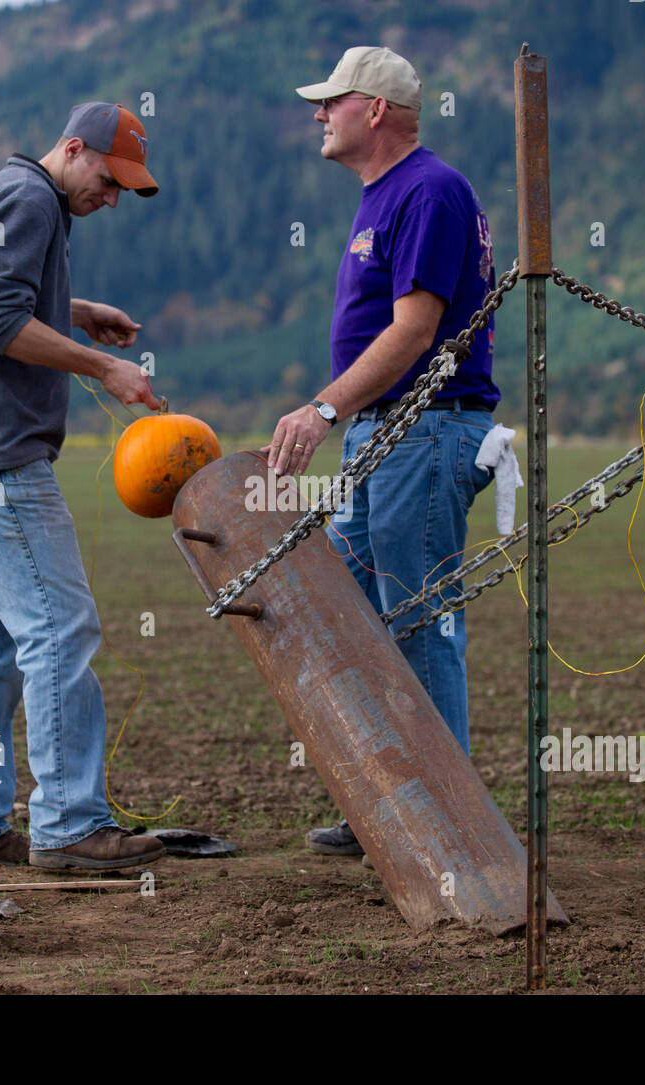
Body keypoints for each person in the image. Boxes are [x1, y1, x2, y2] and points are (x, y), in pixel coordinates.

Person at [264, 47, 501, 857]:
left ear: (372, 108)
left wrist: (325, 406)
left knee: (417, 620)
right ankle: (392, 806)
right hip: (384, 435)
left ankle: (446, 824)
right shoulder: (386, 196)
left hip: (423, 429)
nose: (317, 114)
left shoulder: (428, 190)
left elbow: (416, 329)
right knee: (354, 610)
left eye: (330, 101)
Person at [0, 102, 166, 872]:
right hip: (1, 465)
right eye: (109, 176)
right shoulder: (29, 198)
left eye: (127, 187)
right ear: (71, 148)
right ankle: (68, 824)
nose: (113, 196)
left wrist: (78, 311)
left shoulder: (27, 196)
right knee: (60, 630)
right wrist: (105, 367)